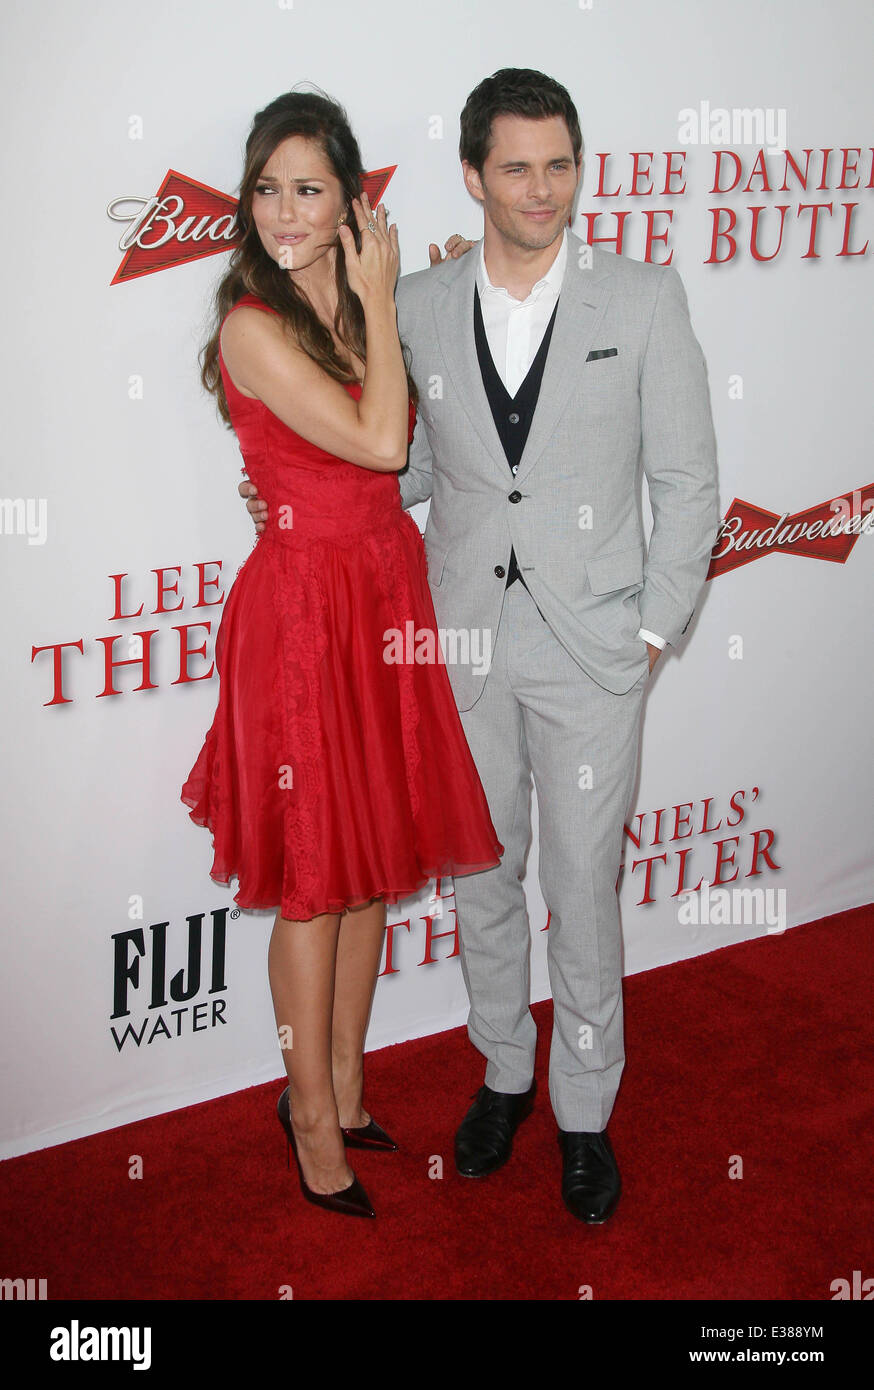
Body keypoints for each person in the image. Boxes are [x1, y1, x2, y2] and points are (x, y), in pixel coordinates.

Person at [242, 69, 720, 1224]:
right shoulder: (415, 301)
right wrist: (290, 500)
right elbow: (396, 459)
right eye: (516, 166)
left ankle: (586, 1110)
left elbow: (689, 484)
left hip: (595, 651)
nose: (542, 188)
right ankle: (505, 1072)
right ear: (474, 176)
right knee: (483, 876)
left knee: (583, 887)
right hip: (457, 645)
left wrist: (651, 633)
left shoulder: (645, 298)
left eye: (560, 163)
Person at [182, 90, 502, 1220]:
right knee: (315, 880)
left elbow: (410, 440)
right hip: (306, 615)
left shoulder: (371, 302)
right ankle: (306, 1114)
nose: (282, 210)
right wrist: (378, 293)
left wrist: (398, 293)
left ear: (350, 197)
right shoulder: (249, 324)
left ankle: (350, 1083)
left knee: (369, 862)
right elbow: (378, 439)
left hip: (383, 588)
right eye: (265, 187)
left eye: (307, 187)